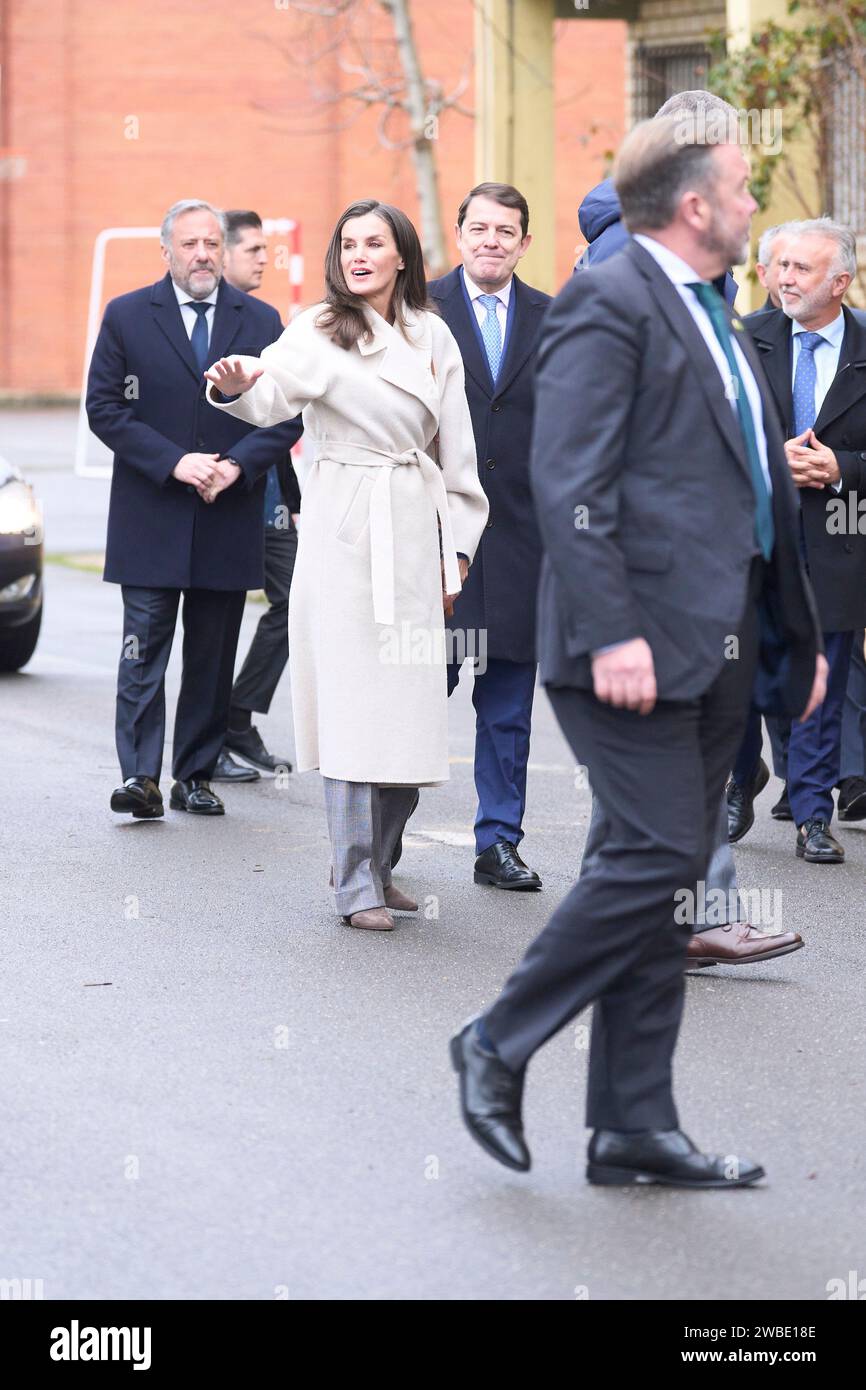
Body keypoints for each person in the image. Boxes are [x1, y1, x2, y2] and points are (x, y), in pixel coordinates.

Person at [451, 116, 824, 1189]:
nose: (757, 204)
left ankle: (629, 1123)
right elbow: (570, 480)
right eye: (745, 188)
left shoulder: (719, 312)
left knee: (653, 875)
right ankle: (496, 1038)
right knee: (662, 858)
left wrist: (789, 641)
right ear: (695, 204)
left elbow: (754, 491)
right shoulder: (608, 302)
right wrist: (612, 624)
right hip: (629, 645)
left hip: (716, 646)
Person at [206, 199, 489, 930]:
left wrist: (454, 551)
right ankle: (355, 880)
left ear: (402, 256)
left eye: (375, 243)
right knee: (357, 709)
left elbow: (457, 453)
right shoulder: (320, 329)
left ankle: (379, 861)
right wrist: (238, 383)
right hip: (345, 533)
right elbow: (270, 393)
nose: (359, 254)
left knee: (412, 715)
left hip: (414, 526)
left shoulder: (433, 334)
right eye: (349, 244)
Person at [577, 89, 792, 966]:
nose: (743, 186)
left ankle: (650, 919)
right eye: (728, 160)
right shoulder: (630, 258)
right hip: (658, 560)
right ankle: (674, 916)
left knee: (674, 758)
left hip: (697, 554)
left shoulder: (685, 253)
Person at [87, 199, 301, 820]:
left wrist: (234, 465)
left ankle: (195, 775)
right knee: (143, 649)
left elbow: (287, 411)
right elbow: (105, 408)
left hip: (227, 515)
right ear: (167, 252)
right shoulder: (127, 315)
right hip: (150, 512)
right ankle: (139, 778)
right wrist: (175, 462)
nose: (202, 254)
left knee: (212, 653)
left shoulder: (260, 318)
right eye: (189, 245)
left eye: (211, 243)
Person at [730, 219, 866, 864]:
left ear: (840, 282)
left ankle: (813, 813)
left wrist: (844, 467)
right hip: (751, 540)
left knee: (822, 681)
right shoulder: (743, 338)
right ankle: (737, 781)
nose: (784, 279)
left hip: (841, 542)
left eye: (800, 269)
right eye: (779, 266)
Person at [428, 183, 550, 891]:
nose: (492, 241)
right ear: (461, 234)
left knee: (507, 707)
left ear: (524, 243)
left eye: (507, 231)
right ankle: (380, 844)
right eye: (480, 228)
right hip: (442, 541)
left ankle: (498, 842)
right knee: (417, 697)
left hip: (525, 542)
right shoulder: (420, 311)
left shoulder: (553, 318)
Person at [212, 209, 302, 783]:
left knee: (293, 601)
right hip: (213, 488)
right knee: (214, 616)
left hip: (267, 489)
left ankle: (237, 717)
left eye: (266, 250)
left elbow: (286, 410)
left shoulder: (268, 318)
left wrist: (291, 494)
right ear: (221, 255)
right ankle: (208, 740)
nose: (264, 259)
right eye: (252, 251)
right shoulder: (198, 319)